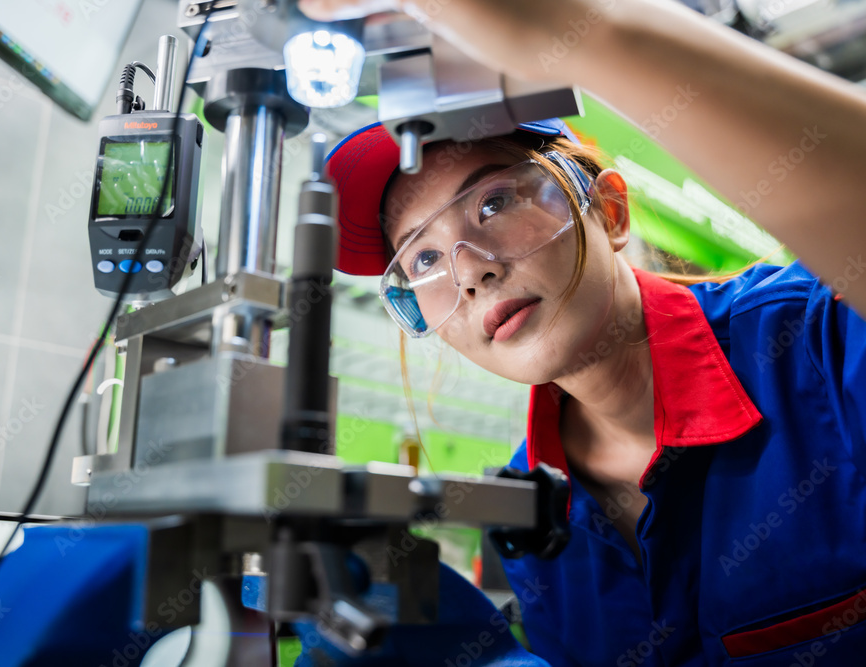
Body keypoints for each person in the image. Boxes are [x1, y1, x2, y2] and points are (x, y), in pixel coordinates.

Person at [288, 0, 866, 665]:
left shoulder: (816, 347)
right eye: (422, 259)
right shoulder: (521, 510)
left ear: (611, 211)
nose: (471, 270)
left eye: (494, 202)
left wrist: (592, 33)